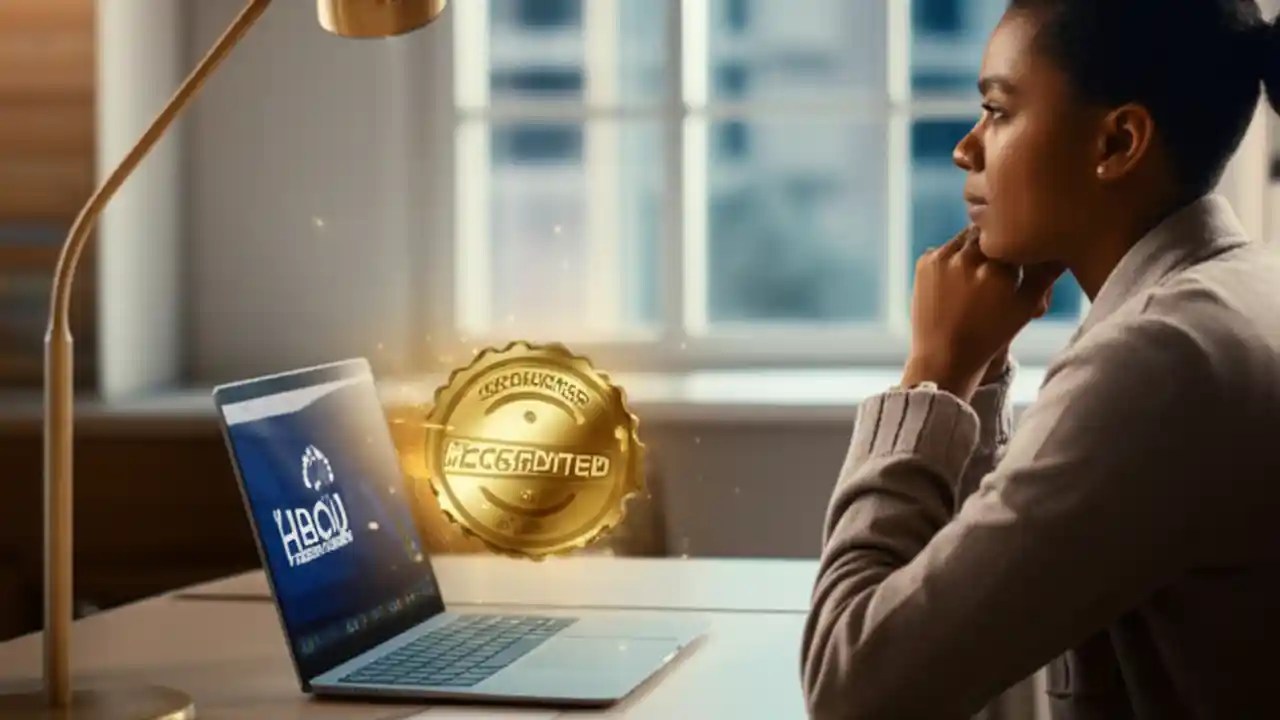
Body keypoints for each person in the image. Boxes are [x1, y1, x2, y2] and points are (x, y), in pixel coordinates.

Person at [802, 1, 1280, 718]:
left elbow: (855, 687)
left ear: (1118, 142)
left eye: (997, 110)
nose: (967, 149)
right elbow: (983, 617)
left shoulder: (1158, 362)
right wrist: (979, 367)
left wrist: (933, 375)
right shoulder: (1229, 295)